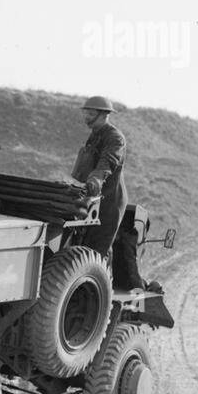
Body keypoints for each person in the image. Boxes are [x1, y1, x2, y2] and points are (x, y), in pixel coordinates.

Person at [71, 95, 129, 281]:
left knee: (99, 250)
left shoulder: (115, 137)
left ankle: (104, 294)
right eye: (85, 113)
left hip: (109, 201)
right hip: (93, 198)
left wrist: (96, 178)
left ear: (104, 115)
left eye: (91, 113)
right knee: (84, 246)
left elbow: (108, 162)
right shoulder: (95, 135)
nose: (86, 117)